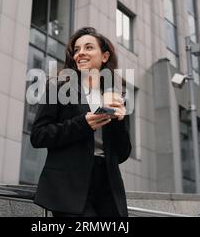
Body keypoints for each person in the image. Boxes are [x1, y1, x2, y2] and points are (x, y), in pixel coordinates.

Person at [30, 27, 132, 217]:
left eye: (88, 47)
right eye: (76, 50)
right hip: (69, 185)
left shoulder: (116, 96)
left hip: (107, 185)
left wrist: (119, 121)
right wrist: (83, 125)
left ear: (104, 56)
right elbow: (38, 135)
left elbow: (123, 153)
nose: (80, 53)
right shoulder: (57, 88)